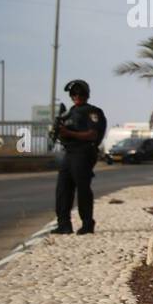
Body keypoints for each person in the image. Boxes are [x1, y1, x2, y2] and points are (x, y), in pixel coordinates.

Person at [53, 79, 107, 235]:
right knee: (63, 189)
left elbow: (93, 134)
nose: (77, 96)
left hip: (83, 153)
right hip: (69, 153)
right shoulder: (69, 112)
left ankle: (87, 224)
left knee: (83, 189)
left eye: (80, 93)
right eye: (74, 93)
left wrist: (69, 133)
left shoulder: (92, 112)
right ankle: (63, 224)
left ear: (86, 94)